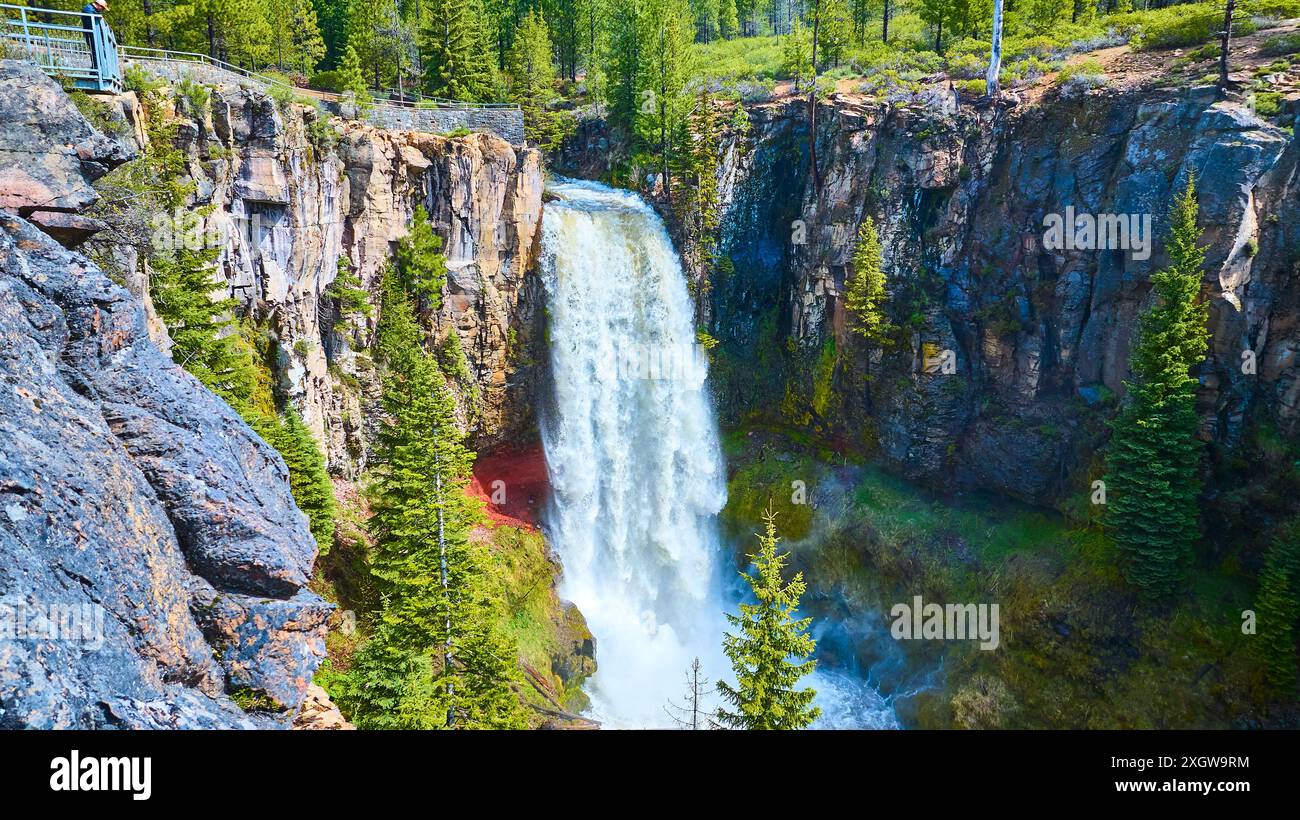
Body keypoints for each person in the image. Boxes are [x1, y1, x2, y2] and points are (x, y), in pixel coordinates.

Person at [81, 0, 109, 72]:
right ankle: (96, 70)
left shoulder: (91, 9)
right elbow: (91, 16)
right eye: (102, 8)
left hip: (93, 34)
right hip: (91, 34)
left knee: (96, 51)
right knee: (95, 52)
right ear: (99, 5)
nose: (102, 10)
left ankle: (96, 69)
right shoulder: (88, 9)